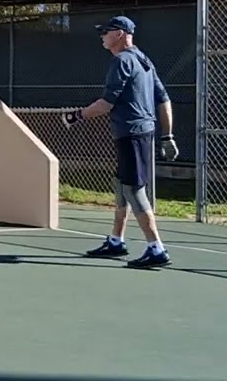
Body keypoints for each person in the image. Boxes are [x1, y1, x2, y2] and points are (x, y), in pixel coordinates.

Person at [61, 15, 177, 269]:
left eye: (106, 31)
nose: (102, 35)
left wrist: (76, 116)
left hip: (132, 133)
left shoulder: (122, 61)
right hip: (135, 132)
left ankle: (156, 248)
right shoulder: (144, 60)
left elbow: (106, 104)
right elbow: (164, 99)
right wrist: (167, 135)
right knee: (121, 184)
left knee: (134, 189)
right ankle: (116, 241)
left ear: (121, 34)